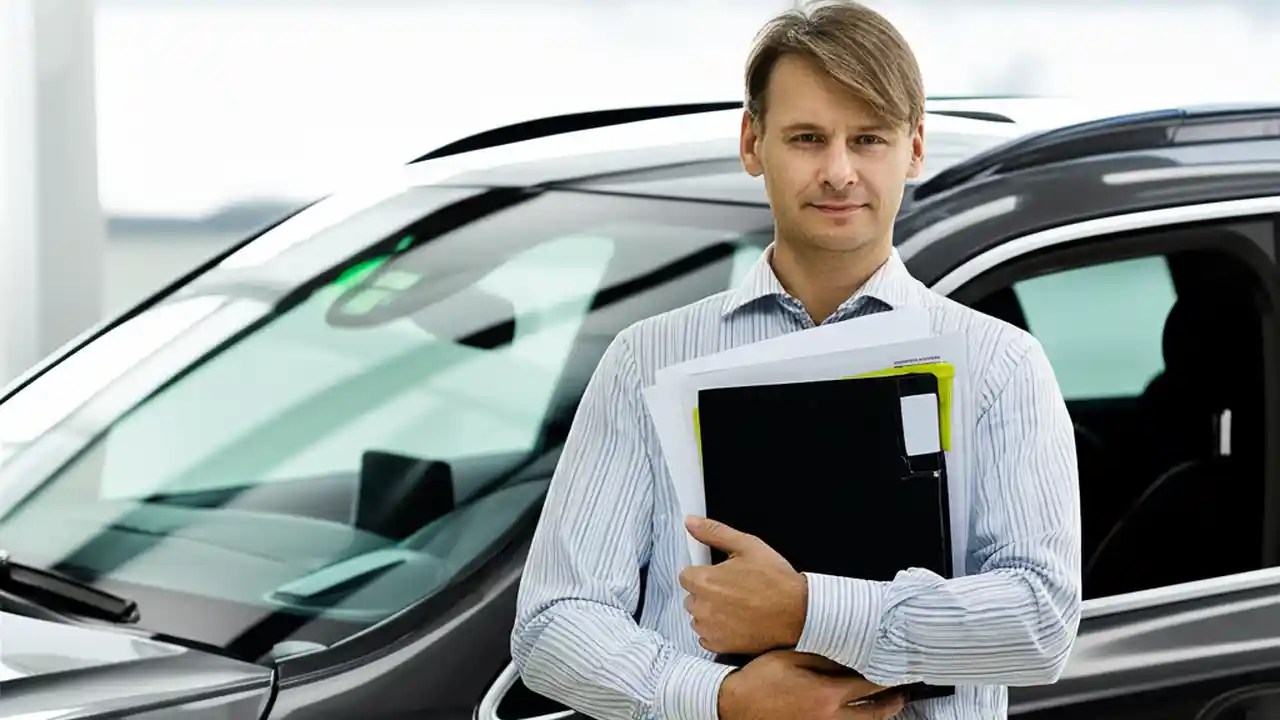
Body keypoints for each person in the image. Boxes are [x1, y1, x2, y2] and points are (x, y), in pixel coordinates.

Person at [510, 1, 1082, 718]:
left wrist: (806, 609)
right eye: (808, 138)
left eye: (868, 138)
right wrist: (722, 699)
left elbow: (1040, 624)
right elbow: (552, 624)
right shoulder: (643, 363)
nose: (839, 172)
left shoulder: (1000, 367)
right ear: (753, 143)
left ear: (913, 148)